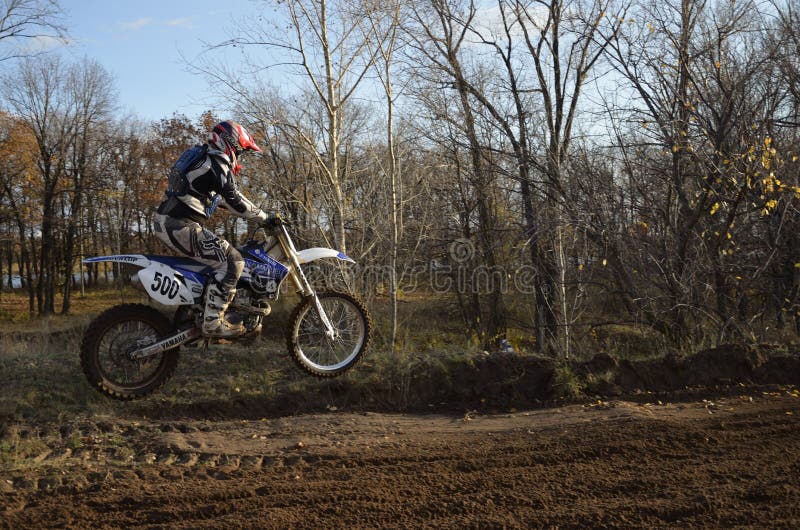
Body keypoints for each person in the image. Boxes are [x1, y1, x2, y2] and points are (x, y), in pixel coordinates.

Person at [154, 120, 273, 337]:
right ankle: (212, 322)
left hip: (172, 222)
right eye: (240, 151)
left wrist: (258, 213)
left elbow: (225, 199)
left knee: (218, 260)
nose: (239, 157)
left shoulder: (203, 157)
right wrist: (266, 218)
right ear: (230, 144)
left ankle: (200, 309)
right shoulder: (216, 162)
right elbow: (235, 199)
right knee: (233, 261)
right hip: (179, 225)